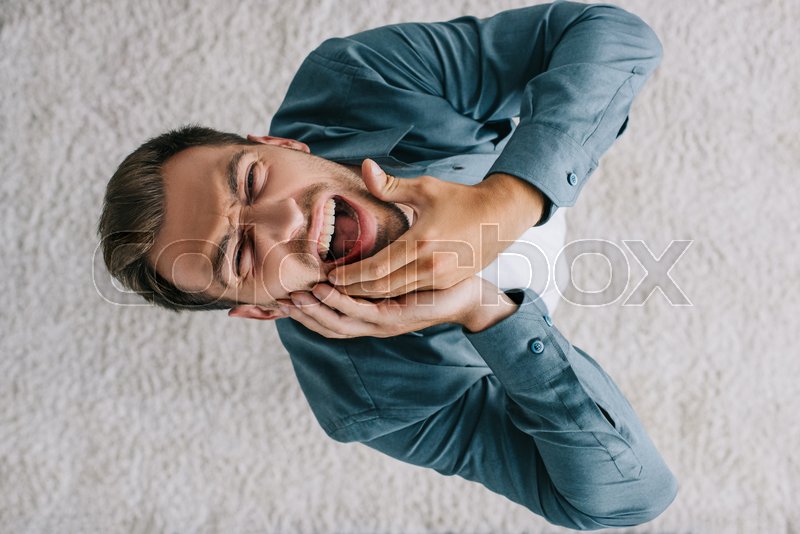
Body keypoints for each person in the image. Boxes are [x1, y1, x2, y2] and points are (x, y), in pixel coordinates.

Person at [97, 2, 677, 529]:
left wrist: (504, 204)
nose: (286, 219)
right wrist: (483, 309)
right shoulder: (372, 403)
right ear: (264, 310)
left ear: (281, 145)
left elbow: (611, 32)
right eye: (242, 255)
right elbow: (626, 498)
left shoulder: (358, 77)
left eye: (252, 179)